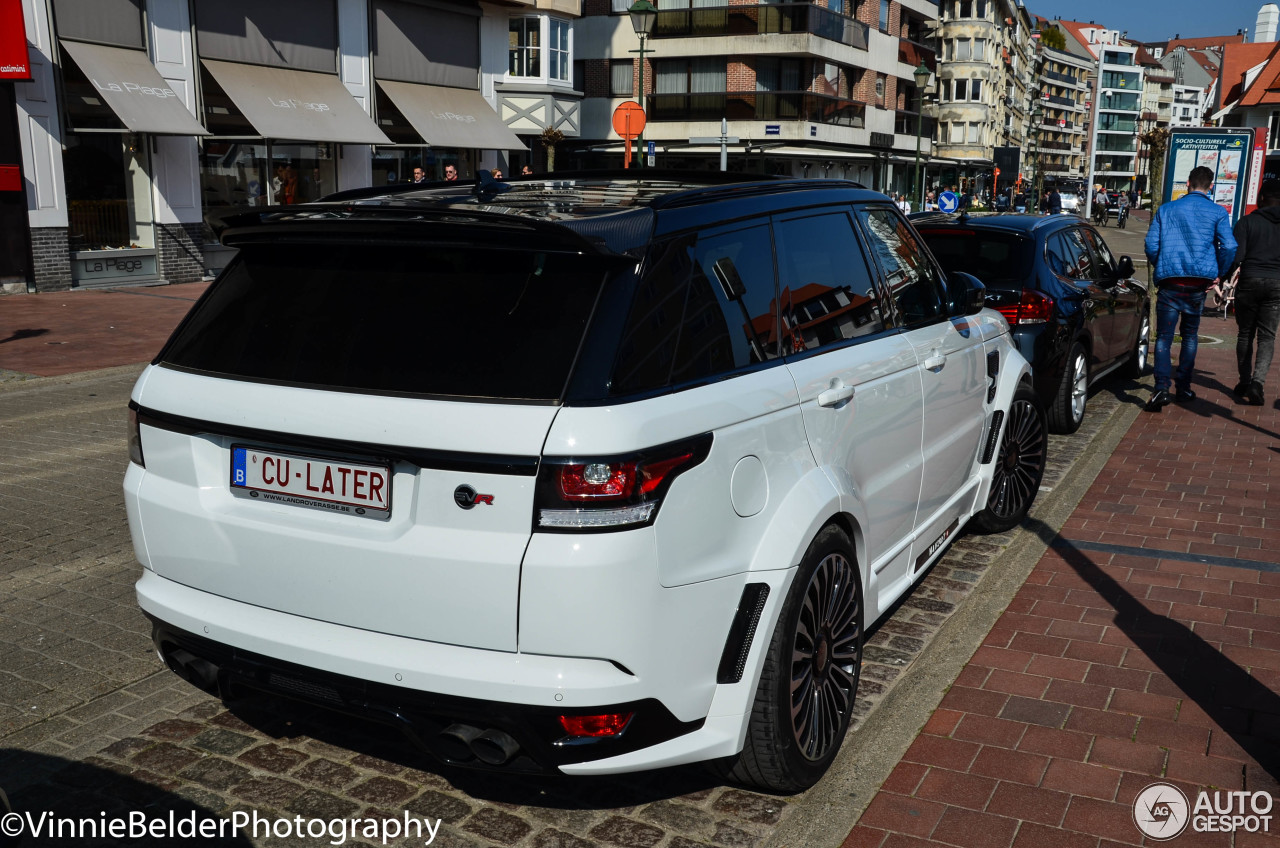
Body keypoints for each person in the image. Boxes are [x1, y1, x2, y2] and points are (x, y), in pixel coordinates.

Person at [1143, 165, 1239, 411]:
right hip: (1198, 284)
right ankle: (1183, 387)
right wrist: (1218, 273)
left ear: (1187, 183)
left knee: (1164, 336)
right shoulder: (1218, 212)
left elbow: (1151, 244)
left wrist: (1162, 264)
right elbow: (1229, 246)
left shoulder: (1166, 209)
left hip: (1170, 282)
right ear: (1211, 187)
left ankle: (1161, 388)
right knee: (1190, 335)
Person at [1225, 179, 1280, 405]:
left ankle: (1244, 381)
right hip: (1277, 283)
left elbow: (1236, 257)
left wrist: (1224, 276)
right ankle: (1258, 382)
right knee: (1268, 336)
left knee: (1245, 332)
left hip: (1249, 281)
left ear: (1261, 198)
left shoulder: (1246, 223)